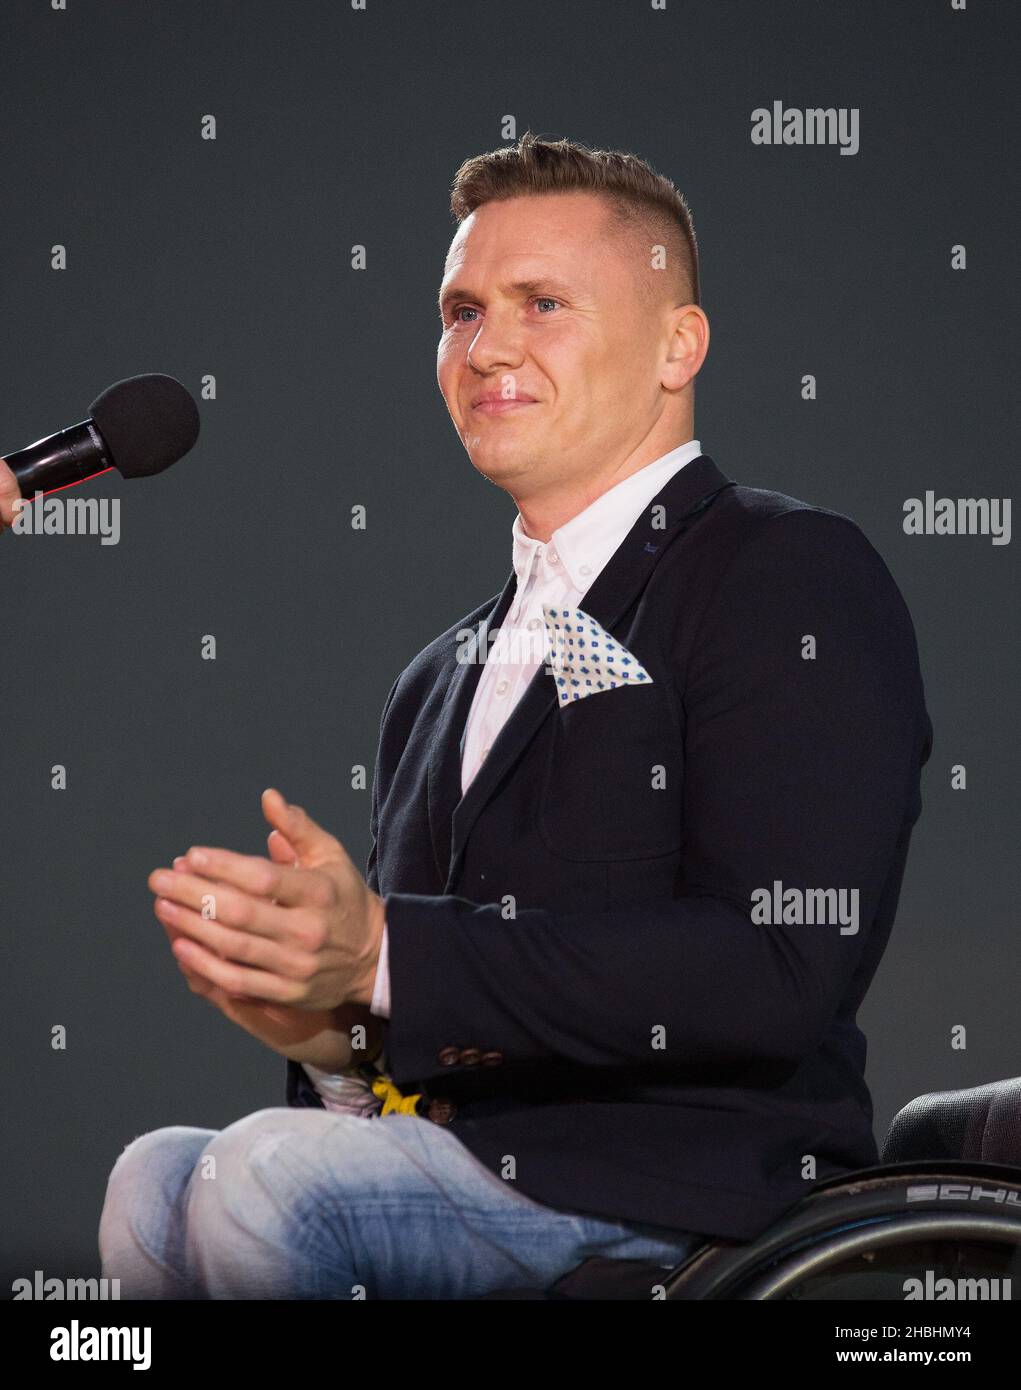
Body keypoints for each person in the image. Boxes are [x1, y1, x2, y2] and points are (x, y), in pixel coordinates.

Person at [98, 132, 933, 1300]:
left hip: (686, 1204)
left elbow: (776, 962)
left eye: (543, 303)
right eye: (460, 310)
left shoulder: (784, 573)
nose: (486, 345)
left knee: (264, 1177)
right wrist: (327, 1022)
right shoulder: (436, 677)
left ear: (676, 346)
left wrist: (388, 948)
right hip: (454, 1168)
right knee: (154, 1177)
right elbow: (424, 1039)